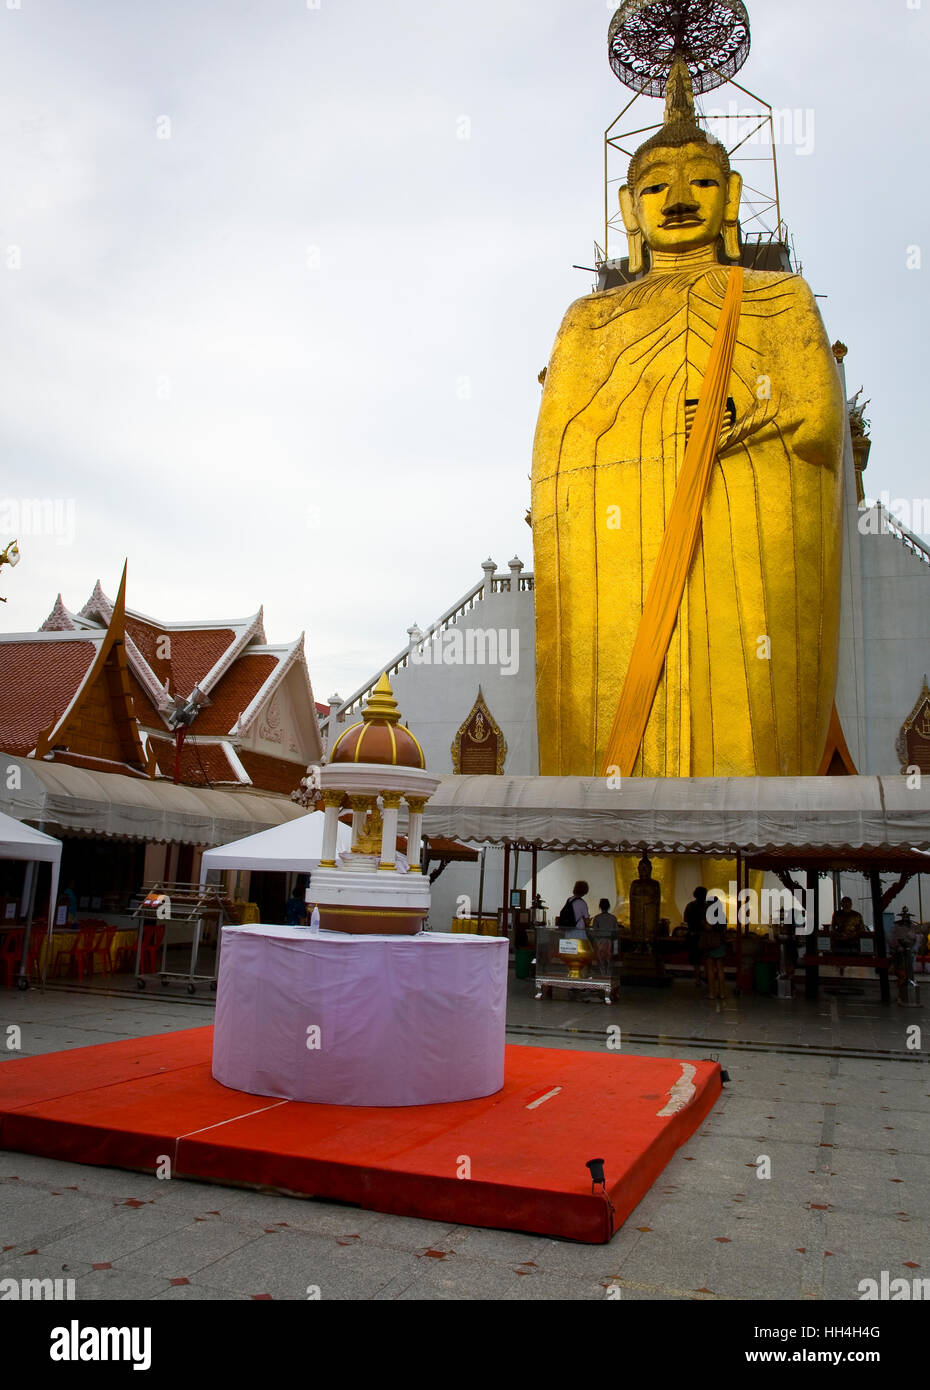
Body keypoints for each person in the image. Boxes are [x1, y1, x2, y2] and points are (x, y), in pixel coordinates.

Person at [701, 893, 728, 1000]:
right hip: (720, 943)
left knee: (710, 968)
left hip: (710, 944)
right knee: (720, 968)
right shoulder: (722, 915)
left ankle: (711, 993)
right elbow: (724, 930)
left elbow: (708, 927)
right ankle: (722, 993)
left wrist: (703, 922)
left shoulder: (708, 915)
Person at [683, 885, 708, 988]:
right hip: (705, 935)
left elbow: (685, 919)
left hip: (693, 935)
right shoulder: (707, 907)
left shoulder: (690, 906)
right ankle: (707, 975)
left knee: (696, 959)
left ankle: (697, 979)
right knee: (707, 957)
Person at [589, 898, 620, 975]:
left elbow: (594, 932)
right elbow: (616, 933)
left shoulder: (597, 918)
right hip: (610, 942)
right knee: (609, 964)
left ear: (600, 906)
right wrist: (616, 949)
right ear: (609, 906)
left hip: (600, 942)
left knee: (601, 964)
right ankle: (608, 978)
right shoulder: (613, 918)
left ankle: (603, 977)